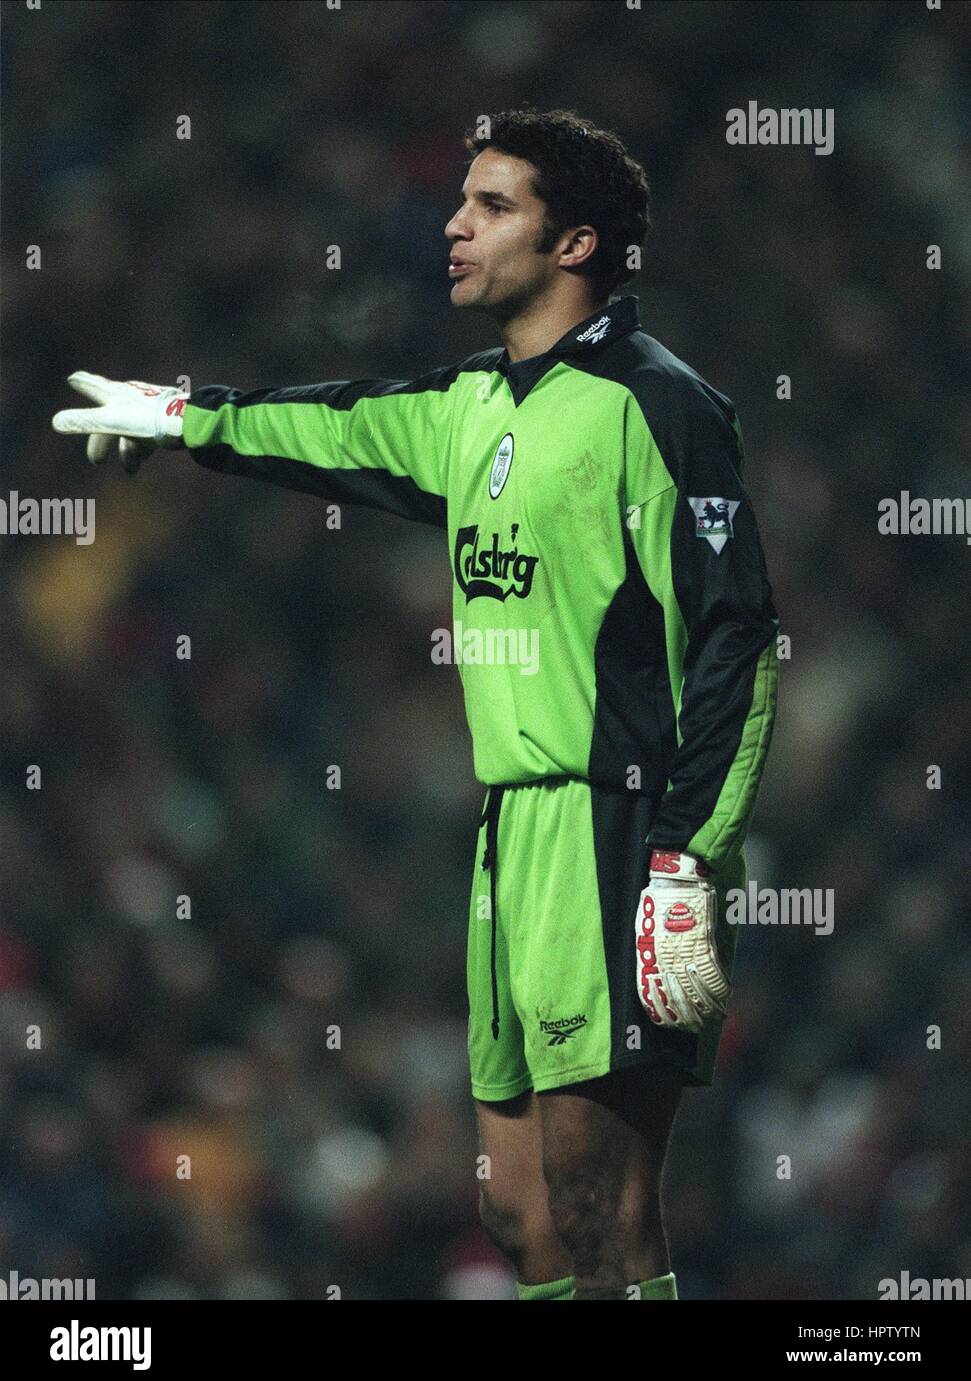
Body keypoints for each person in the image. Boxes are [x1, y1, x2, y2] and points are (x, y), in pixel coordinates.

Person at [52, 106, 780, 1301]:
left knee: (604, 1201)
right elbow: (330, 421)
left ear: (574, 244)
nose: (453, 223)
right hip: (510, 837)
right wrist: (184, 416)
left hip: (615, 832)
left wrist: (684, 859)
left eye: (492, 206)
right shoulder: (469, 407)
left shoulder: (662, 409)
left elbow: (737, 639)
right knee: (516, 1206)